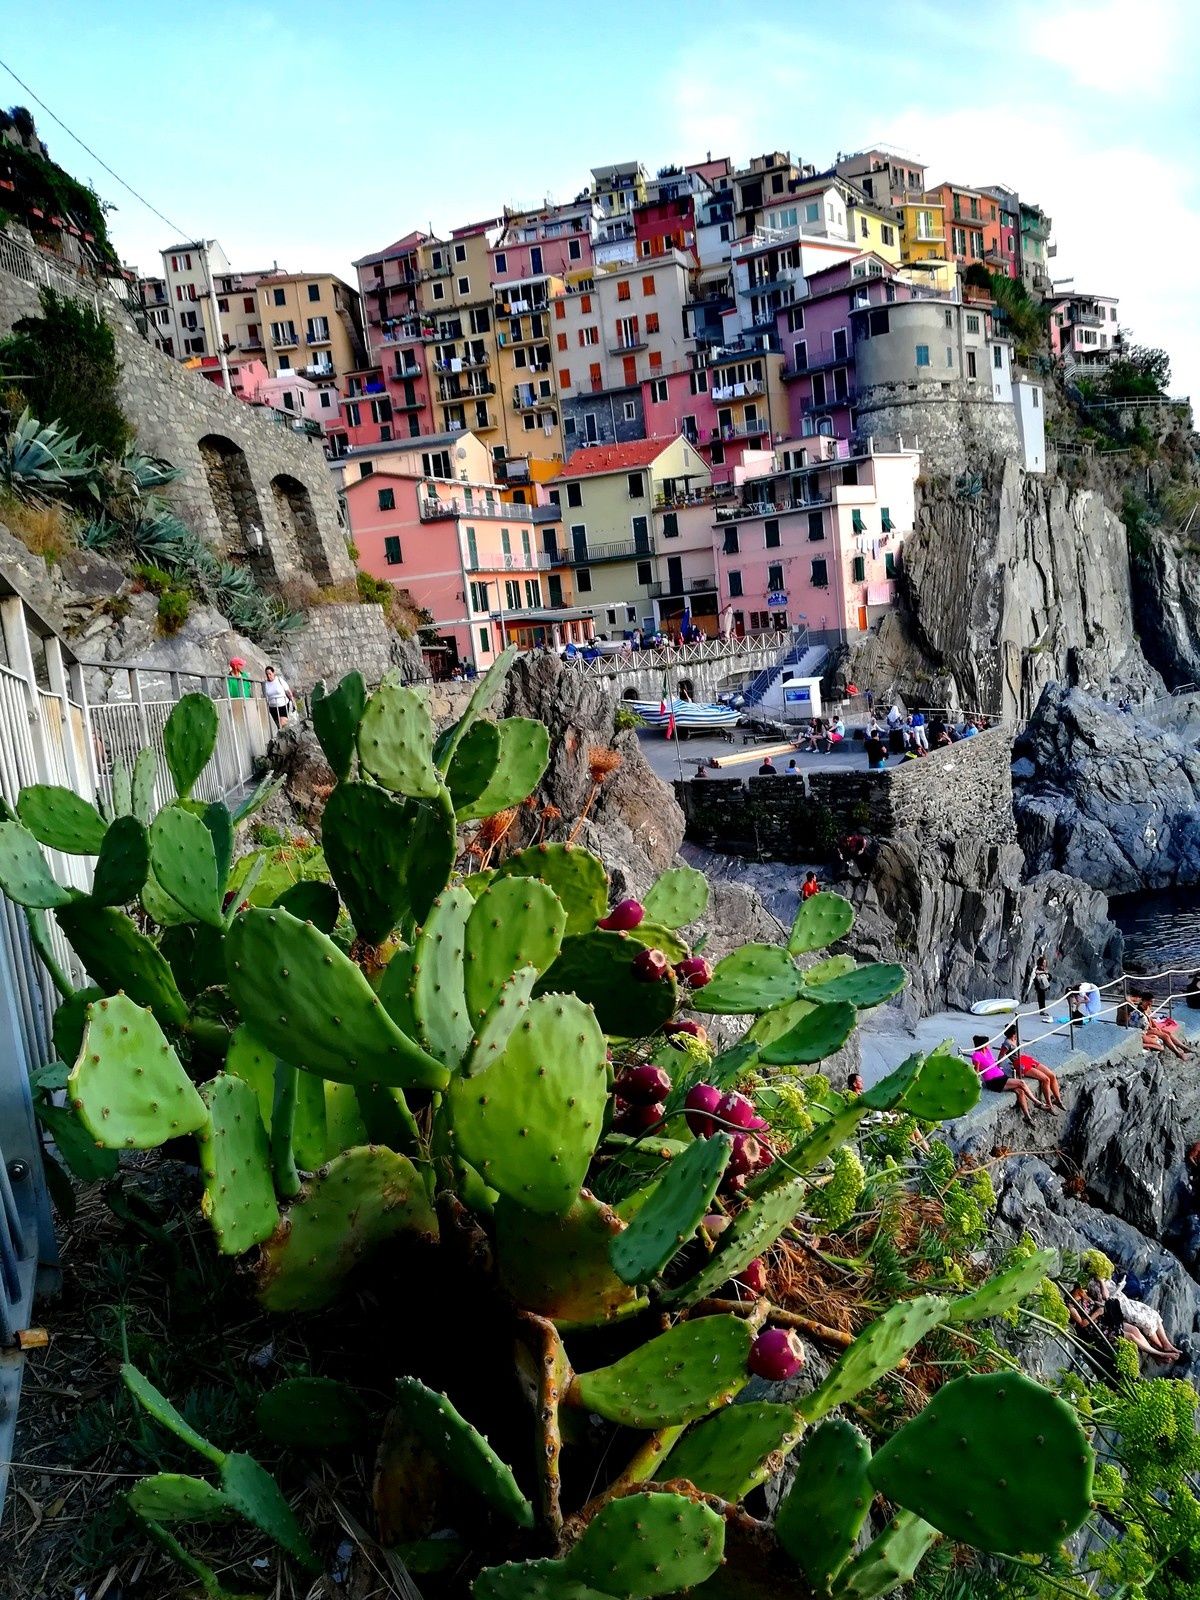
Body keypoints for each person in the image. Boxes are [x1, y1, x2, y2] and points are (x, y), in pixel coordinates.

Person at [1093, 1277, 1183, 1361]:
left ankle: (1166, 1344)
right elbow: (1106, 1297)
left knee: (1153, 1314)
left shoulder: (1103, 1278)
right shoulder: (1094, 1286)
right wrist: (1101, 1281)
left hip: (1121, 1299)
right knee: (1145, 1323)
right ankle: (1159, 1350)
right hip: (1115, 1306)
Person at [970, 1034, 1039, 1126]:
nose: (989, 1044)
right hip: (994, 1081)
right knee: (1021, 1083)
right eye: (987, 1043)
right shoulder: (976, 1055)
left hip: (1002, 1077)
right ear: (983, 1044)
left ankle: (1027, 1117)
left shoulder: (987, 1051)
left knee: (1020, 1091)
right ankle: (1036, 1102)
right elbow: (976, 1072)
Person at [998, 1023, 1064, 1110]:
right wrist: (999, 1067)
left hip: (1025, 1059)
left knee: (1051, 1075)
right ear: (1013, 1033)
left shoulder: (1016, 1039)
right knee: (1046, 1079)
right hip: (1019, 1063)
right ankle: (1049, 1104)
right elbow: (1001, 1055)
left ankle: (1058, 1100)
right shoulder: (1007, 1043)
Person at [263, 665, 294, 729]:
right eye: (267, 674)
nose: (268, 676)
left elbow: (288, 691)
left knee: (282, 724)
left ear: (273, 673)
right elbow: (265, 695)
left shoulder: (279, 680)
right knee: (278, 725)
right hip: (272, 707)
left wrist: (293, 701)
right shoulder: (265, 684)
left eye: (270, 674)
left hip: (282, 705)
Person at [1031, 953, 1052, 1021]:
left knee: (1042, 998)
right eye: (1044, 962)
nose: (1044, 963)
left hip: (1041, 984)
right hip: (1039, 985)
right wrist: (1044, 972)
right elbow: (1036, 972)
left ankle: (1043, 1010)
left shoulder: (1044, 968)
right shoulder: (1039, 968)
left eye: (1045, 962)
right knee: (1041, 998)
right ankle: (1042, 1010)